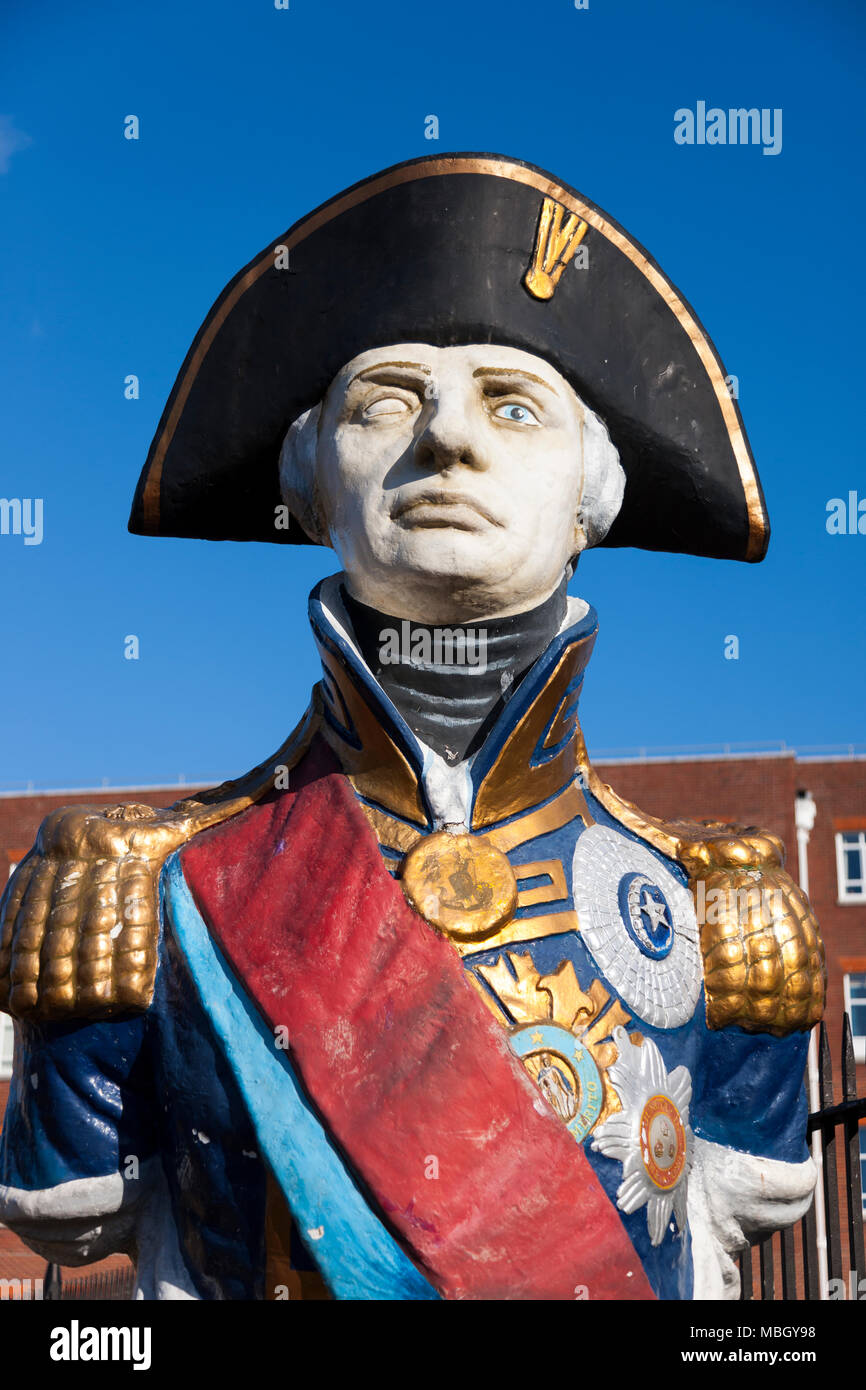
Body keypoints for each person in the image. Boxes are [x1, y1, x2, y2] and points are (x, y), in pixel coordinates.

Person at [0, 154, 825, 1300]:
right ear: (313, 483)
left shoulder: (713, 913)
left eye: (512, 403)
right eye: (386, 398)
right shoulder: (147, 896)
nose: (446, 438)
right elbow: (73, 1225)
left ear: (593, 493)